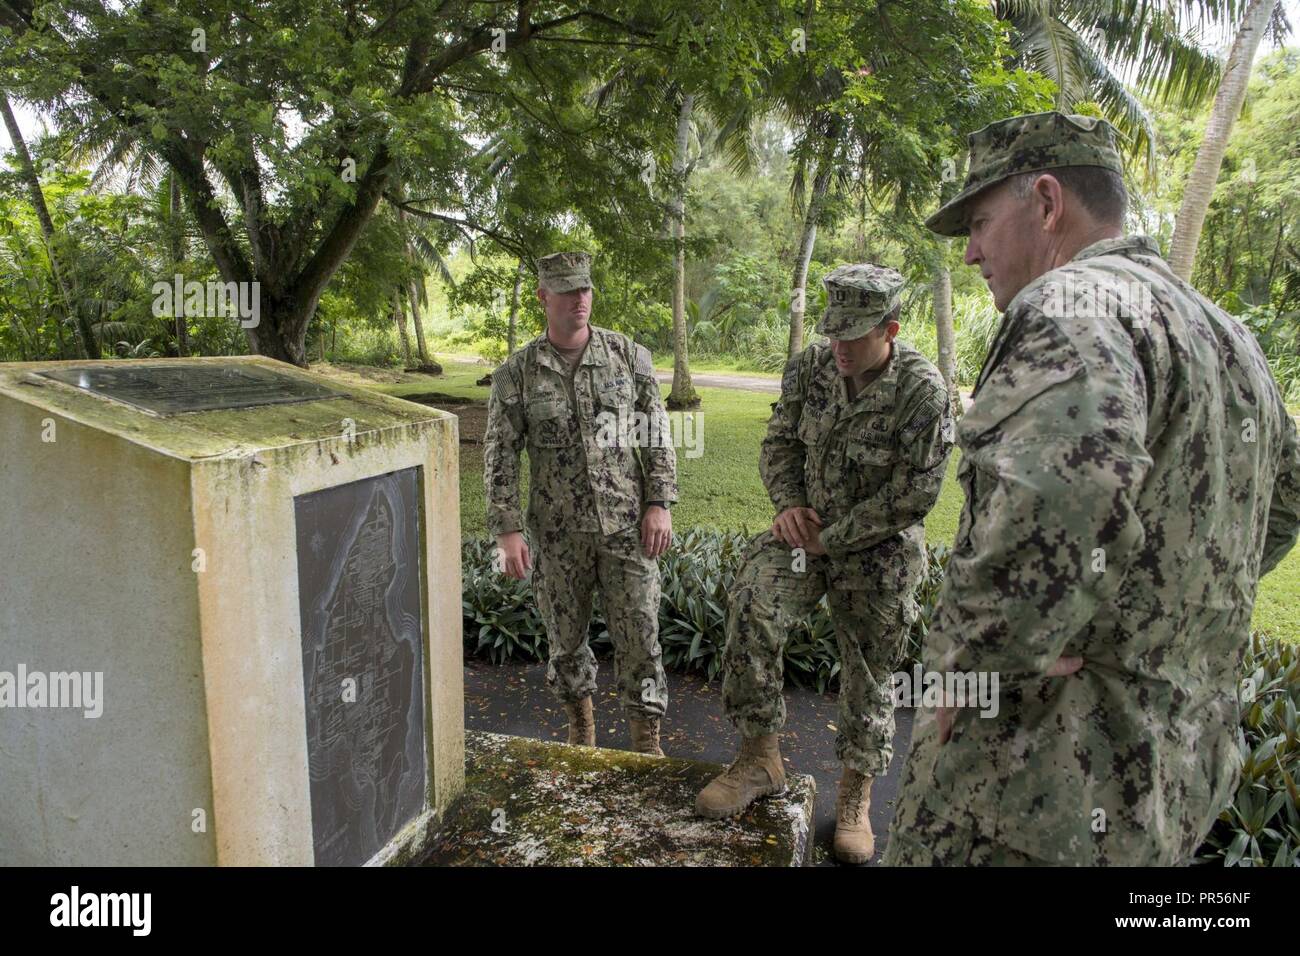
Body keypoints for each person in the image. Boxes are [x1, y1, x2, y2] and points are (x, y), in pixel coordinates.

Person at [883, 111, 1300, 866]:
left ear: (1046, 203)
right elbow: (1286, 495)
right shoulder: (1230, 335)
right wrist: (1151, 608)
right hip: (1168, 783)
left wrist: (972, 662)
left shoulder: (1069, 306)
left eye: (979, 222)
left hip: (1034, 784)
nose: (972, 251)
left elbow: (1064, 490)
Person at [695, 263, 954, 864]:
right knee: (752, 603)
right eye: (833, 330)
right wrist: (787, 506)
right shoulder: (811, 366)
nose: (838, 345)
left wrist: (833, 538)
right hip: (804, 531)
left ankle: (857, 795)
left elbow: (916, 493)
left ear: (889, 330)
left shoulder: (923, 390)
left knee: (869, 665)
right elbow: (780, 441)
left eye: (853, 334)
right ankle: (761, 758)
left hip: (876, 547)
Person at [482, 251, 678, 755]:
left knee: (641, 638)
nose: (579, 299)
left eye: (585, 289)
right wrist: (507, 530)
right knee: (565, 642)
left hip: (626, 528)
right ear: (544, 296)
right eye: (567, 291)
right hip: (558, 535)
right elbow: (500, 452)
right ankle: (581, 733)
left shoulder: (628, 357)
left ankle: (646, 741)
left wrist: (659, 502)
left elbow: (655, 433)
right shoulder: (517, 373)